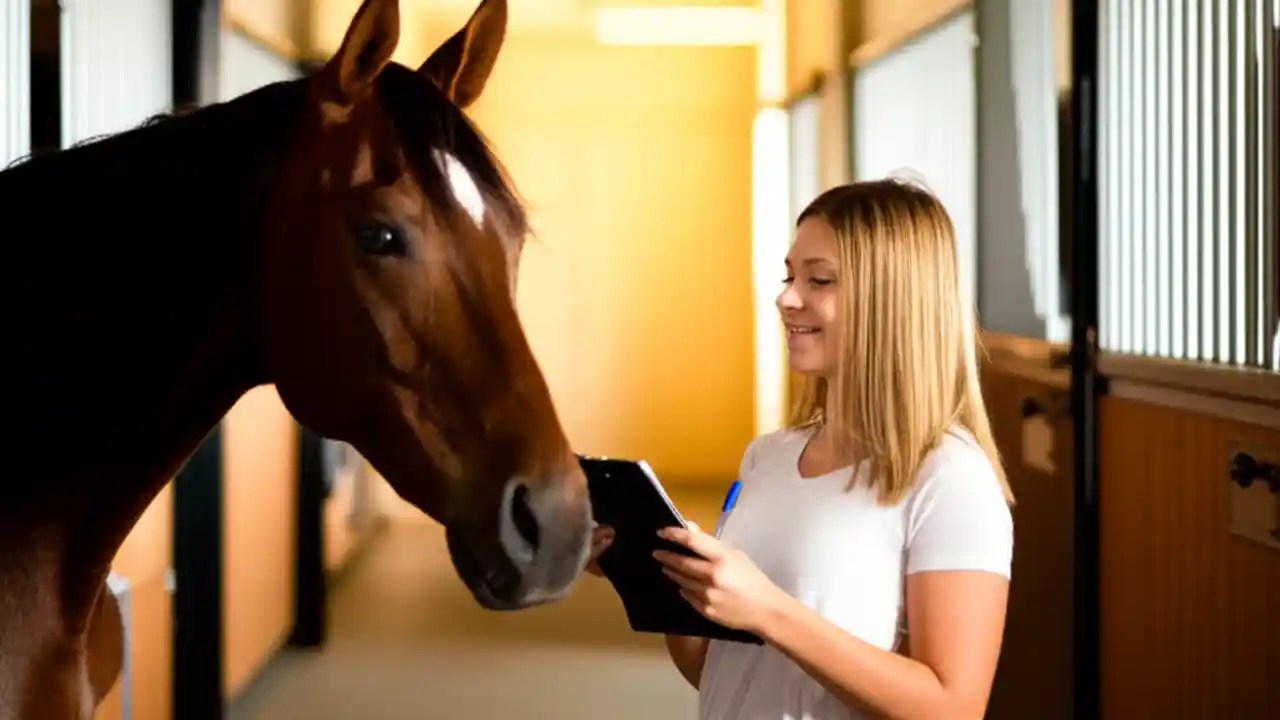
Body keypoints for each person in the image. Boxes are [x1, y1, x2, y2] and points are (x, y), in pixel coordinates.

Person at [586, 178, 1015, 719]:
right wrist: (660, 578)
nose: (787, 298)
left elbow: (953, 708)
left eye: (820, 280)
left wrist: (767, 610)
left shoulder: (951, 479)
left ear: (893, 300)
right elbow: (724, 675)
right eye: (791, 275)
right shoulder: (767, 458)